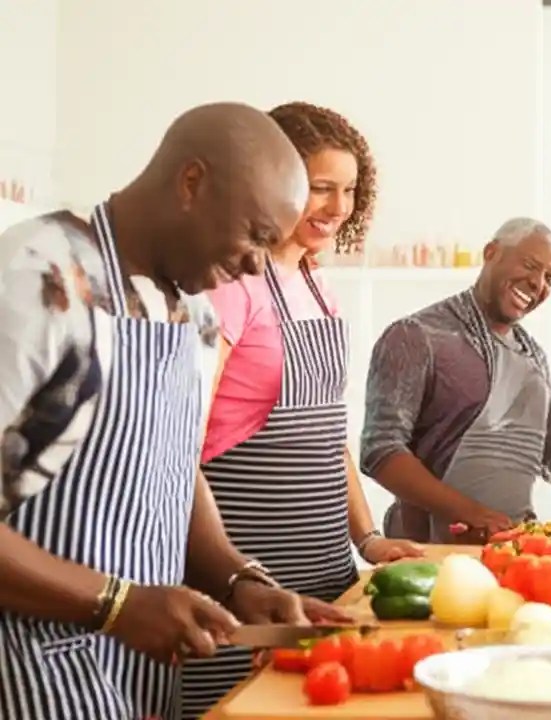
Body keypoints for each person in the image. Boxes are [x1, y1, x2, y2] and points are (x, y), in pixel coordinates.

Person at [0, 102, 325, 720]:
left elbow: (174, 466)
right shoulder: (37, 273)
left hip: (134, 677)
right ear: (192, 182)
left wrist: (236, 578)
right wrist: (115, 605)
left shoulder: (195, 313)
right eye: (256, 235)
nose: (259, 264)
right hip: (26, 669)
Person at [180, 102, 423, 719]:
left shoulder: (319, 284)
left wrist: (367, 537)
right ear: (273, 180)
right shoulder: (229, 286)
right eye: (320, 188)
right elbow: (179, 443)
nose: (336, 207)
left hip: (323, 566)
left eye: (348, 190)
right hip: (245, 563)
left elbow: (327, 434)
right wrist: (234, 572)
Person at [361, 218, 551, 544]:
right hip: (431, 554)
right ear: (491, 253)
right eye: (530, 265)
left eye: (550, 278)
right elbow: (381, 450)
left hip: (514, 549)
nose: (537, 283)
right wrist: (469, 512)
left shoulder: (534, 356)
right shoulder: (416, 336)